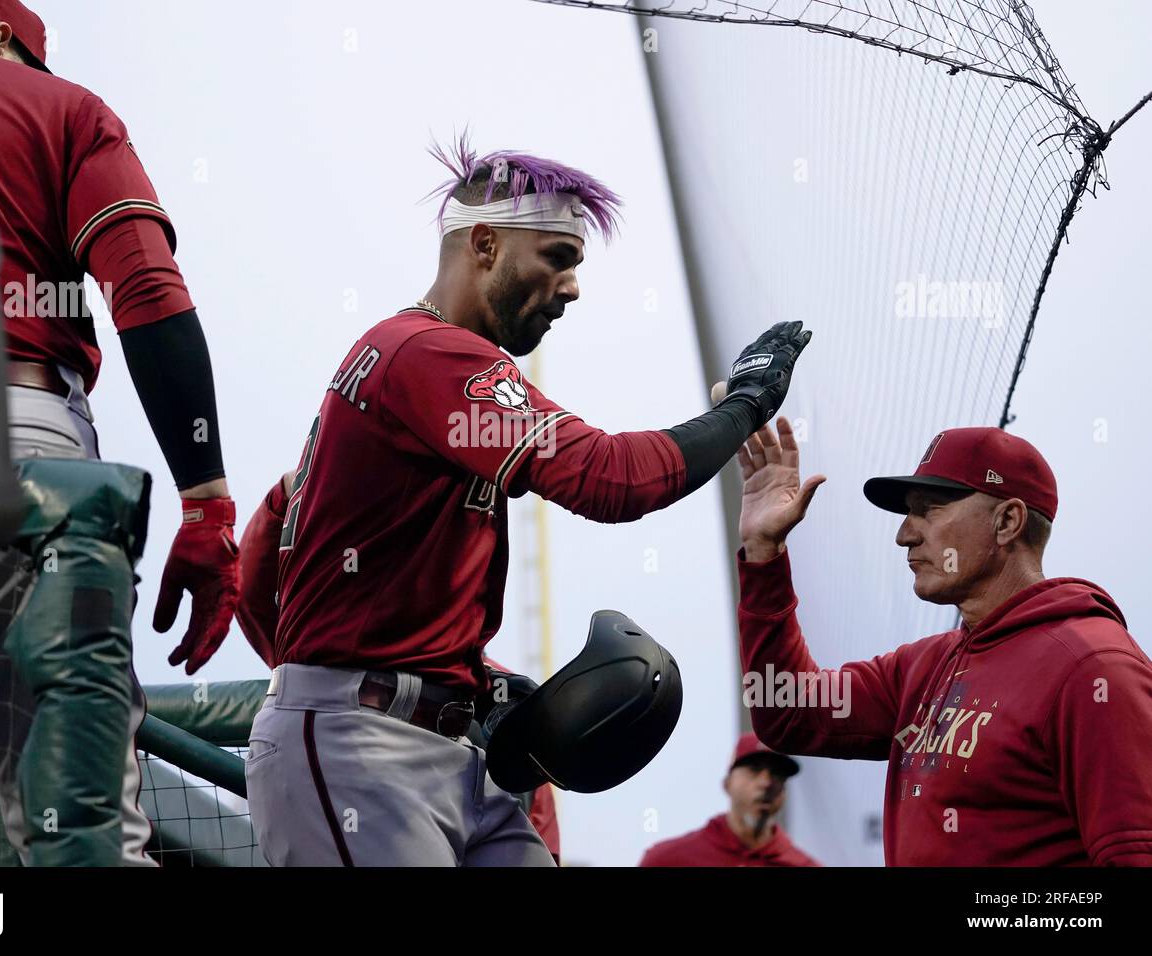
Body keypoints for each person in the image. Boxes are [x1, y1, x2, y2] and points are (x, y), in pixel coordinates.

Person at [243, 136, 813, 866]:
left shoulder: (406, 362)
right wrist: (747, 403)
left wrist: (466, 684)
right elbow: (611, 479)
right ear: (484, 243)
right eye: (558, 257)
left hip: (433, 747)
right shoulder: (428, 352)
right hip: (362, 750)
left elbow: (263, 567)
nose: (573, 287)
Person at [0, 0, 239, 866]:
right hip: (23, 447)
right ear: (0, 39)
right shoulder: (59, 106)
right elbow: (147, 290)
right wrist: (206, 501)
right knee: (78, 838)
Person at [735, 419, 1152, 865]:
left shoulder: (1094, 668)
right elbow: (787, 710)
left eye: (929, 509)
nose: (904, 534)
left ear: (1007, 521)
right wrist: (763, 551)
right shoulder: (925, 665)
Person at [236, 474, 562, 862]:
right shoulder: (327, 639)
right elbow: (256, 603)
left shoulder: (496, 693)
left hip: (456, 774)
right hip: (342, 745)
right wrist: (285, 498)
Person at [640, 732, 819, 866]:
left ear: (784, 791)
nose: (766, 782)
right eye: (754, 769)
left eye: (777, 773)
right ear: (727, 784)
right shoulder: (668, 860)